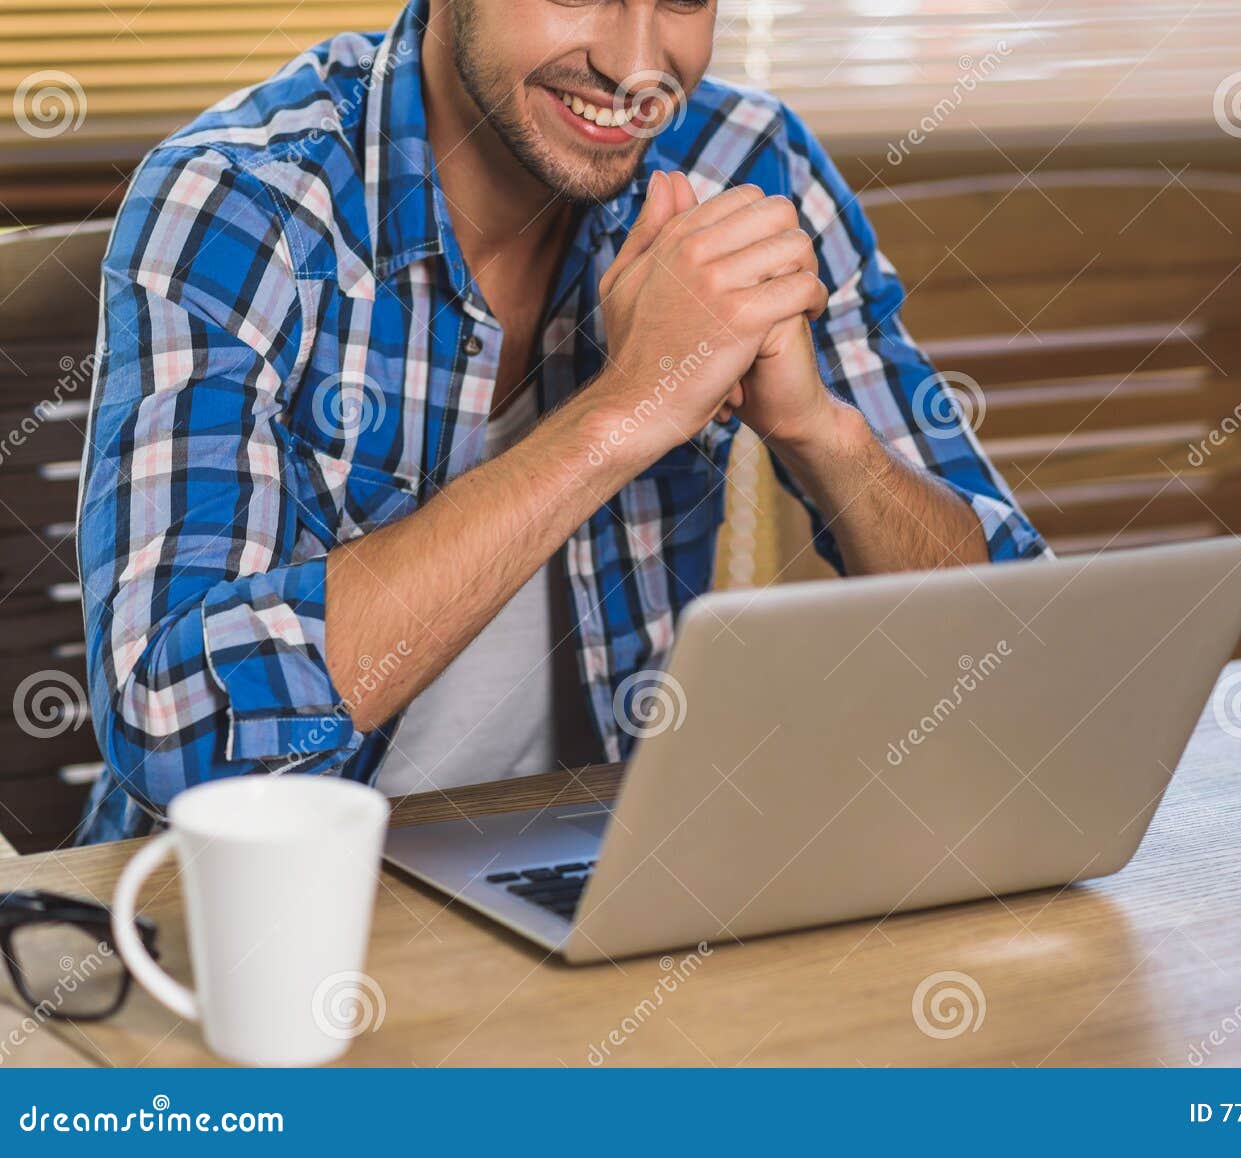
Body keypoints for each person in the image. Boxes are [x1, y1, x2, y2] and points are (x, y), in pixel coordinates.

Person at [75, 0, 1046, 843]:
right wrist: (624, 411)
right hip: (275, 926)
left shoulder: (745, 163)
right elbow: (178, 735)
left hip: (611, 886)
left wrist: (818, 431)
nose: (635, 67)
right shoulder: (239, 204)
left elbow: (1011, 658)